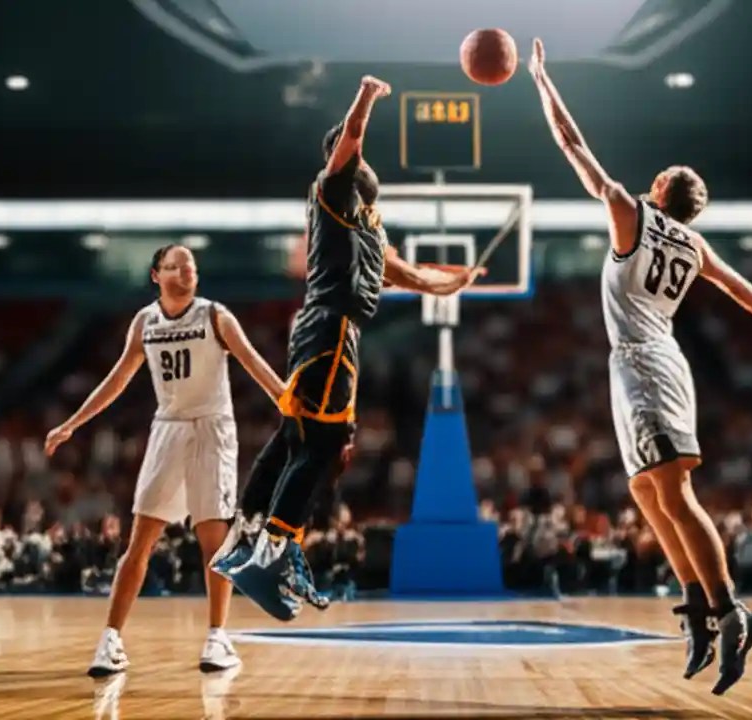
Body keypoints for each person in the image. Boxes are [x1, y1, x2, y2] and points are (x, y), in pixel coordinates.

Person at [528, 39, 752, 695]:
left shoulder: (630, 214)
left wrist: (542, 79)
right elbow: (739, 287)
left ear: (660, 189)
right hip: (648, 364)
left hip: (646, 364)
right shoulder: (694, 242)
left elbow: (573, 144)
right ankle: (698, 609)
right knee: (646, 492)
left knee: (674, 493)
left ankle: (731, 609)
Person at [210, 74, 483, 621]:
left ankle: (243, 534)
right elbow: (351, 140)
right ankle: (270, 554)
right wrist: (366, 94)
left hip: (335, 331)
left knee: (298, 436)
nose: (364, 156)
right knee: (323, 445)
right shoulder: (333, 190)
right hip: (328, 326)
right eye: (356, 150)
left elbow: (403, 273)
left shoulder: (368, 226)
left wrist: (448, 283)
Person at [45, 244, 287, 677]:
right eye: (174, 266)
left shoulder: (216, 316)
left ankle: (217, 636)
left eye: (190, 265)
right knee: (140, 541)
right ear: (156, 275)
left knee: (214, 541)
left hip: (213, 428)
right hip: (168, 428)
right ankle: (111, 640)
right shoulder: (144, 322)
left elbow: (254, 363)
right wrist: (72, 424)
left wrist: (290, 405)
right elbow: (117, 378)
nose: (185, 271)